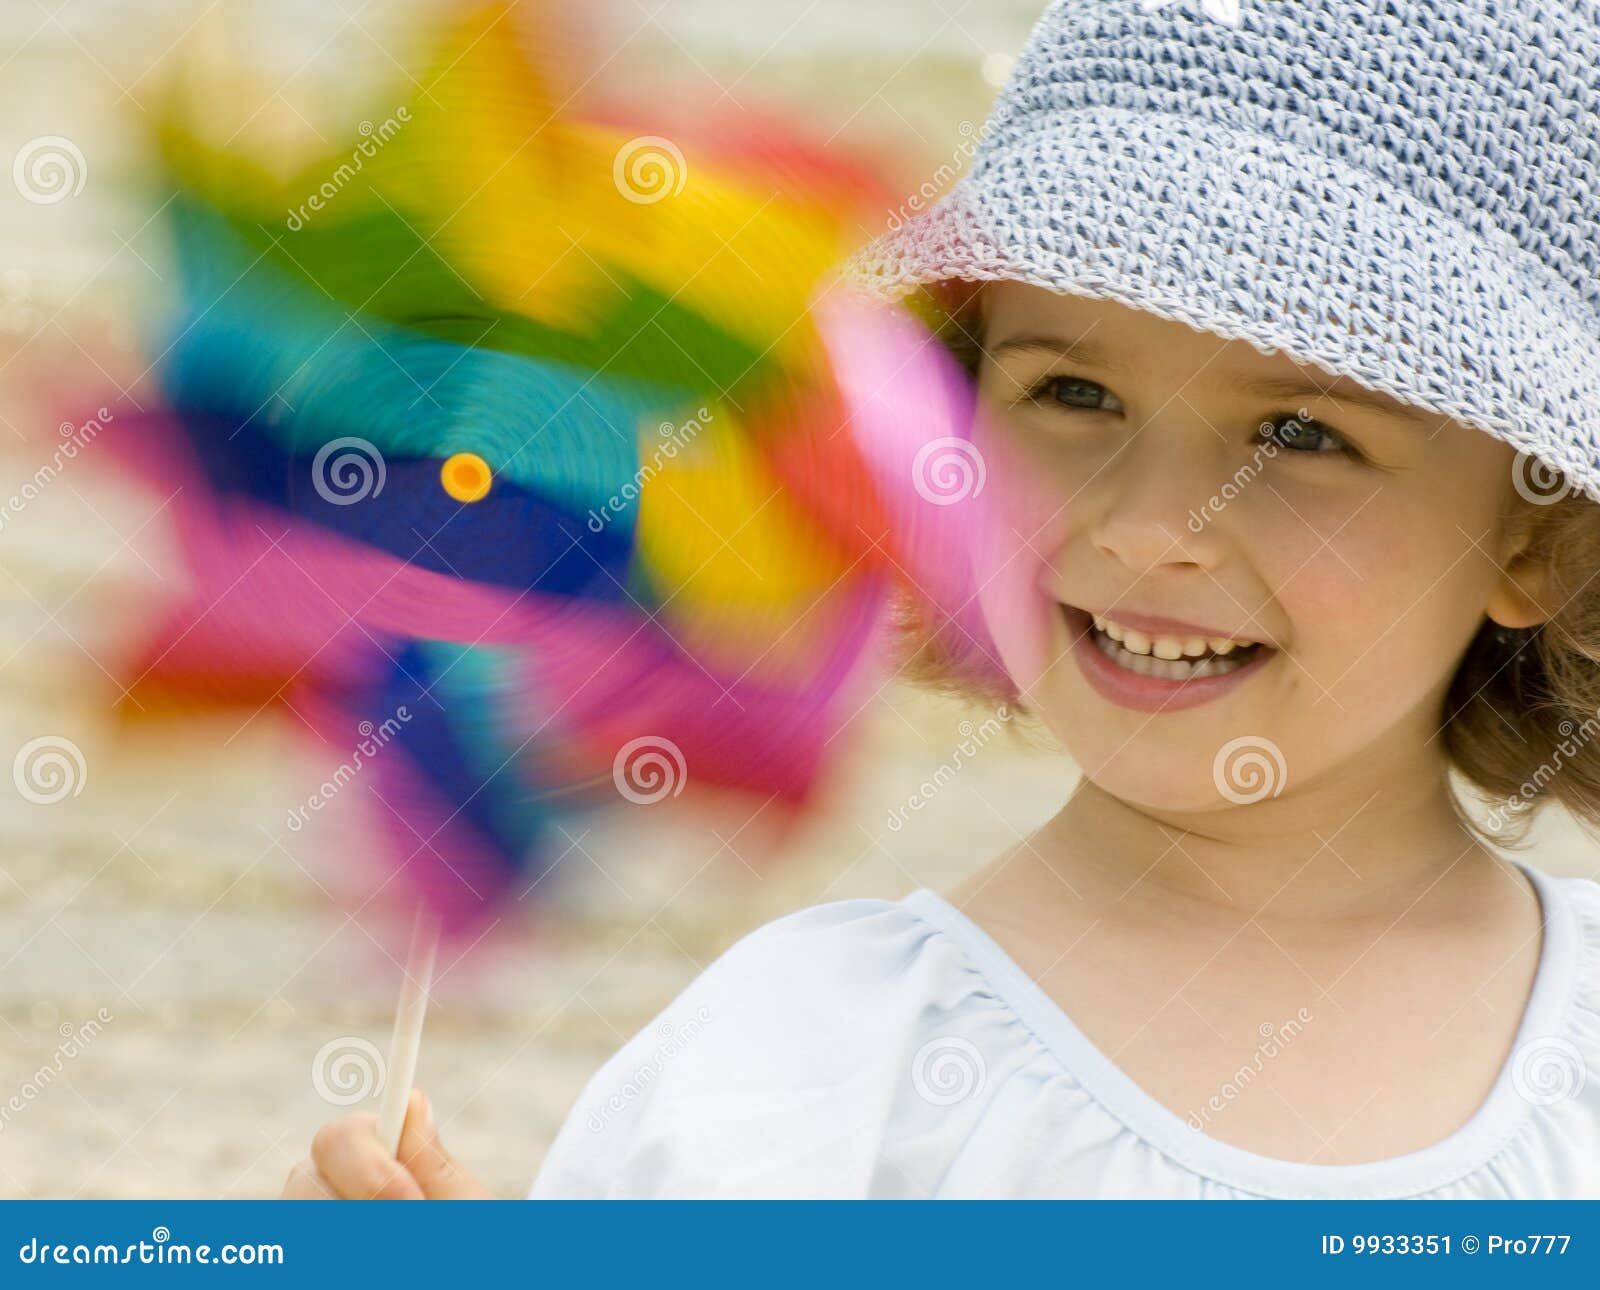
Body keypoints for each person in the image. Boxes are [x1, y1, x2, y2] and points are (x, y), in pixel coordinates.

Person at [284, 0, 1600, 1199]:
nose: (1153, 526)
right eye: (1073, 395)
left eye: (1304, 435)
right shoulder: (800, 1071)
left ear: (1533, 537)